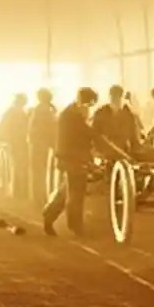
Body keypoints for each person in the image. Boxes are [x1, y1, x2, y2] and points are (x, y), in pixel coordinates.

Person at [43, 87, 98, 237]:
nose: (89, 109)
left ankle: (49, 215)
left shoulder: (73, 113)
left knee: (67, 191)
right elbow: (77, 137)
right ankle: (76, 226)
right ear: (82, 101)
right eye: (88, 104)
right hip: (71, 158)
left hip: (74, 158)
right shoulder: (69, 117)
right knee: (76, 194)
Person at [91, 85, 142, 159]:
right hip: (105, 154)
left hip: (123, 153)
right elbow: (94, 134)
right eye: (114, 97)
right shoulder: (101, 113)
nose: (116, 100)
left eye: (118, 97)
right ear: (110, 96)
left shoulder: (129, 114)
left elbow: (134, 136)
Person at [28, 88, 58, 206]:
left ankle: (37, 197)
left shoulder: (40, 109)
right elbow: (50, 127)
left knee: (38, 172)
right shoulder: (44, 110)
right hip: (41, 144)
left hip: (37, 143)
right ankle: (39, 198)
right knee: (40, 172)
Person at [0, 93, 31, 199]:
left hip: (13, 142)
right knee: (18, 167)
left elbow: (3, 127)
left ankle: (17, 191)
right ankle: (19, 192)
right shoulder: (18, 113)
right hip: (18, 142)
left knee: (15, 166)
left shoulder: (10, 112)